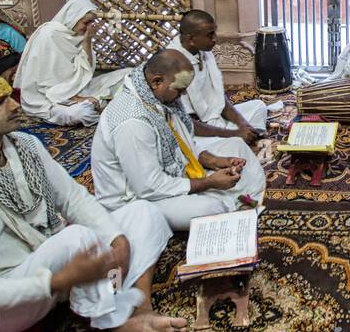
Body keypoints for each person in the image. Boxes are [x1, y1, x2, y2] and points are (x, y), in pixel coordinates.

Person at [0, 71, 186, 332]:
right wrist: (59, 280)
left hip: (52, 264)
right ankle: (115, 319)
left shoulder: (25, 145)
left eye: (10, 96)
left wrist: (116, 239)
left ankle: (140, 307)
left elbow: (72, 198)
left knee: (143, 212)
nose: (15, 105)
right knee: (76, 238)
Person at [91, 49, 265, 232]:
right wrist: (209, 183)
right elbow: (149, 187)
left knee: (236, 145)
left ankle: (236, 201)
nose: (182, 96)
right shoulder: (132, 122)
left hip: (169, 175)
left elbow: (183, 143)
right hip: (136, 202)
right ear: (157, 81)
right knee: (210, 209)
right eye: (179, 90)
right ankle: (230, 203)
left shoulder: (157, 95)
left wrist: (214, 161)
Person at [12, 0, 129, 126]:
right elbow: (44, 83)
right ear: (73, 17)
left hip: (77, 88)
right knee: (83, 113)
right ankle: (106, 106)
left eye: (92, 23)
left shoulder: (78, 36)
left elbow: (87, 69)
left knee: (128, 75)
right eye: (86, 22)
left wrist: (87, 40)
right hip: (48, 99)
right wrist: (77, 99)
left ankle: (104, 105)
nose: (89, 27)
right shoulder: (49, 35)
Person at [166, 9, 267, 146]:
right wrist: (233, 134)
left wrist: (243, 124)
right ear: (191, 39)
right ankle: (237, 142)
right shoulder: (173, 64)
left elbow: (218, 97)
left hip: (214, 118)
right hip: (196, 129)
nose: (215, 39)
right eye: (210, 35)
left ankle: (244, 137)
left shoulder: (203, 52)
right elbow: (185, 122)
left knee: (258, 106)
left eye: (214, 32)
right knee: (226, 145)